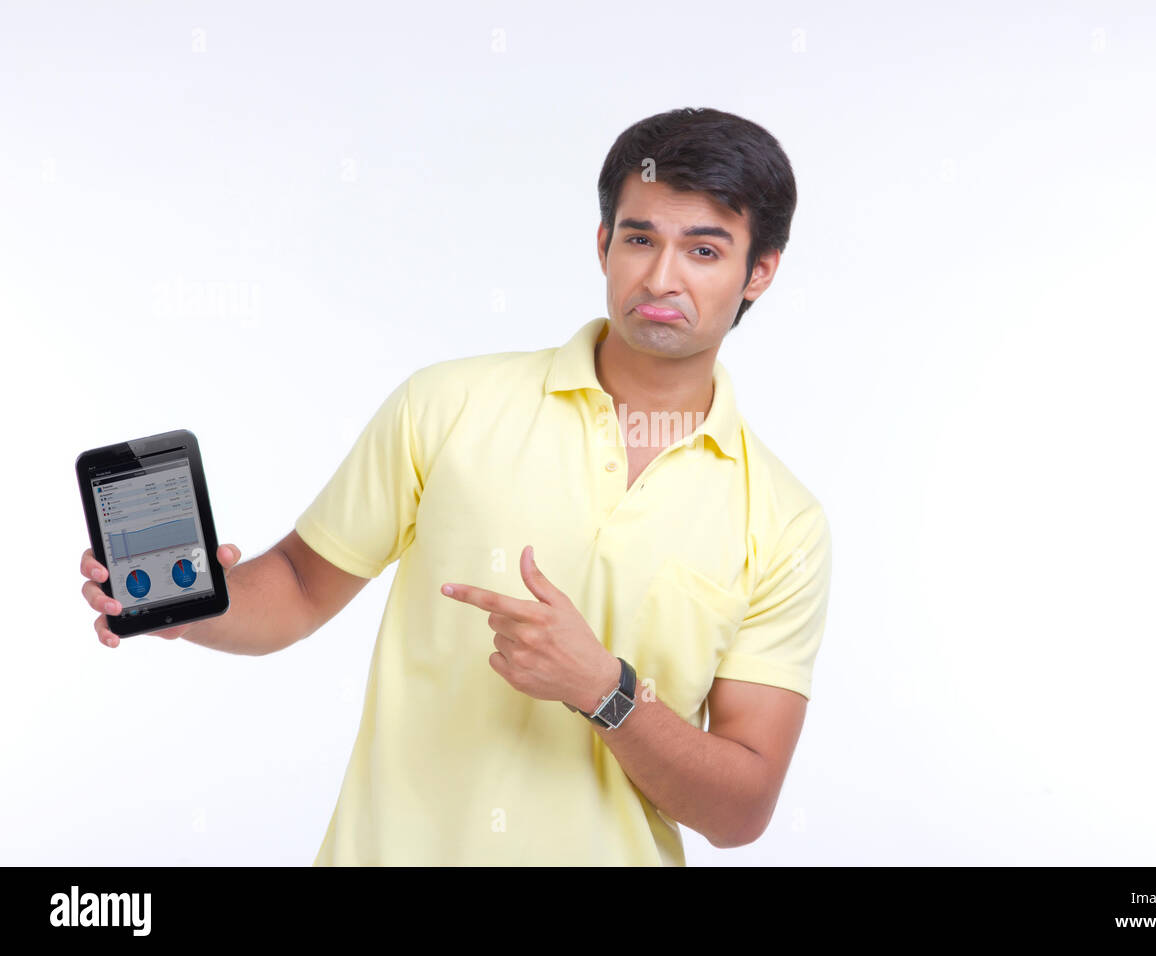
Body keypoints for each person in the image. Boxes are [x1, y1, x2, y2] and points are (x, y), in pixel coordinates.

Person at [79, 106, 832, 866]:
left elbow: (740, 811)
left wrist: (606, 690)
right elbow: (301, 588)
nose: (661, 277)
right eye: (640, 238)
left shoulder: (783, 522)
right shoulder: (447, 404)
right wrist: (194, 603)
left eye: (704, 249)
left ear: (759, 271)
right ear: (603, 245)